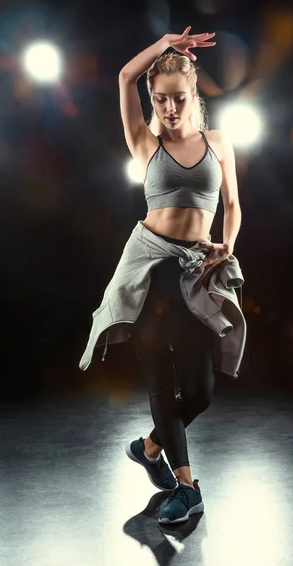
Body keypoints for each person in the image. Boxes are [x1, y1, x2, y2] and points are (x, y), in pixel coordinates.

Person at [81, 27, 244, 525]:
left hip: (195, 269)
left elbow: (233, 205)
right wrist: (166, 42)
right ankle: (188, 487)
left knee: (199, 390)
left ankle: (150, 447)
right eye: (161, 99)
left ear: (193, 95)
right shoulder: (144, 142)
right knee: (159, 378)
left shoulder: (218, 143)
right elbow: (125, 75)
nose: (169, 108)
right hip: (150, 268)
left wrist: (228, 245)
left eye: (178, 98)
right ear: (153, 100)